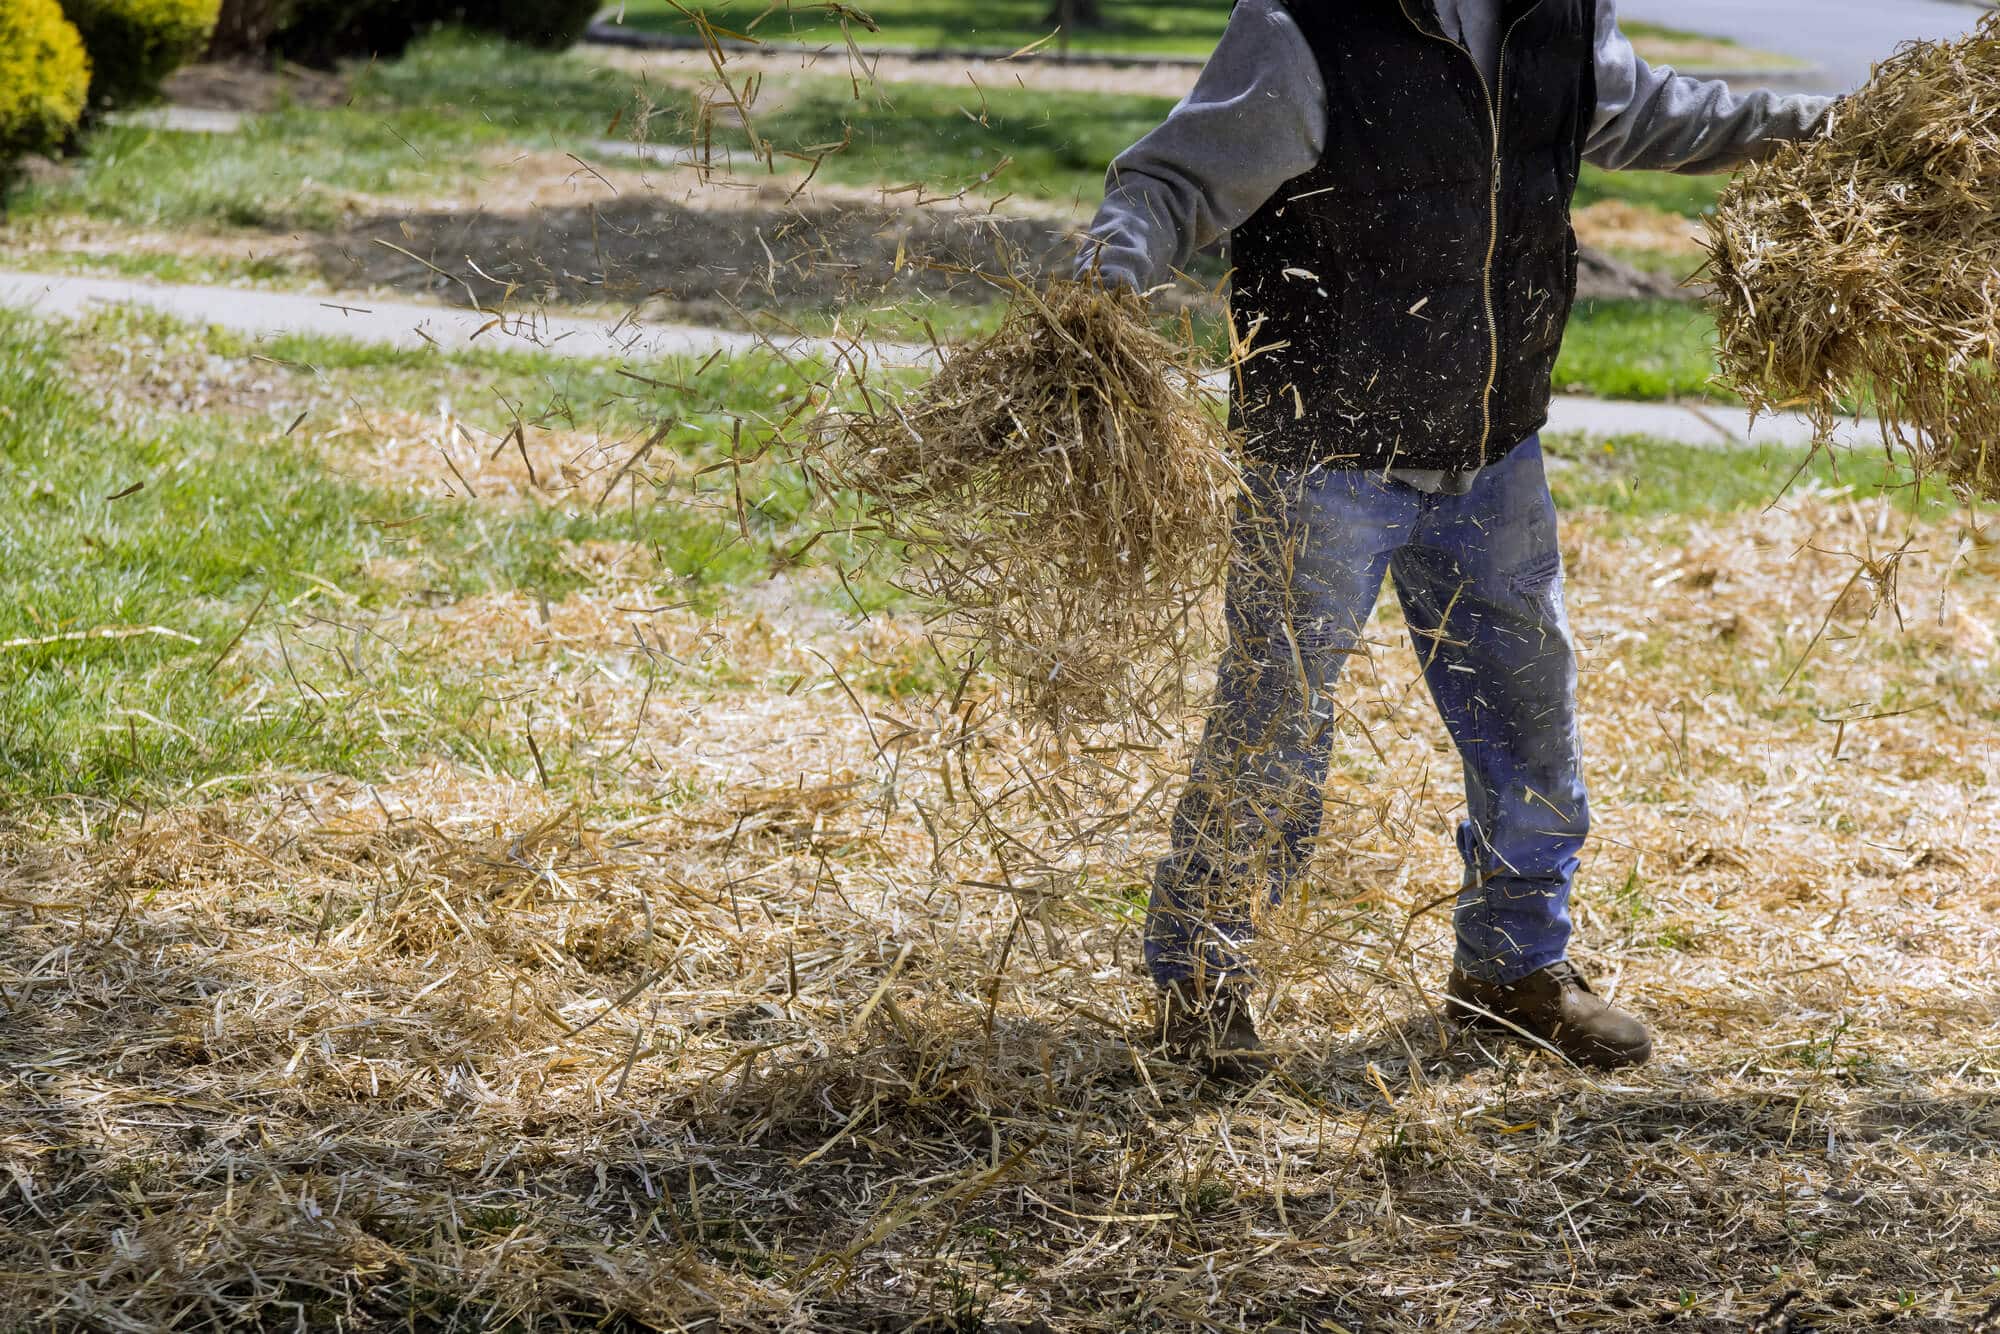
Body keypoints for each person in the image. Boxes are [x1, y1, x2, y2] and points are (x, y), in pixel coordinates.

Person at [1077, 0, 1834, 1076]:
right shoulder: (1310, 27)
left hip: (1491, 447)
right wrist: (1104, 284)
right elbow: (1168, 180)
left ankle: (1509, 971)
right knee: (1273, 724)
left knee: (1529, 722)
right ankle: (1200, 980)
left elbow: (1651, 110)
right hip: (1324, 450)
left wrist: (1832, 128)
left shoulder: (1554, 17)